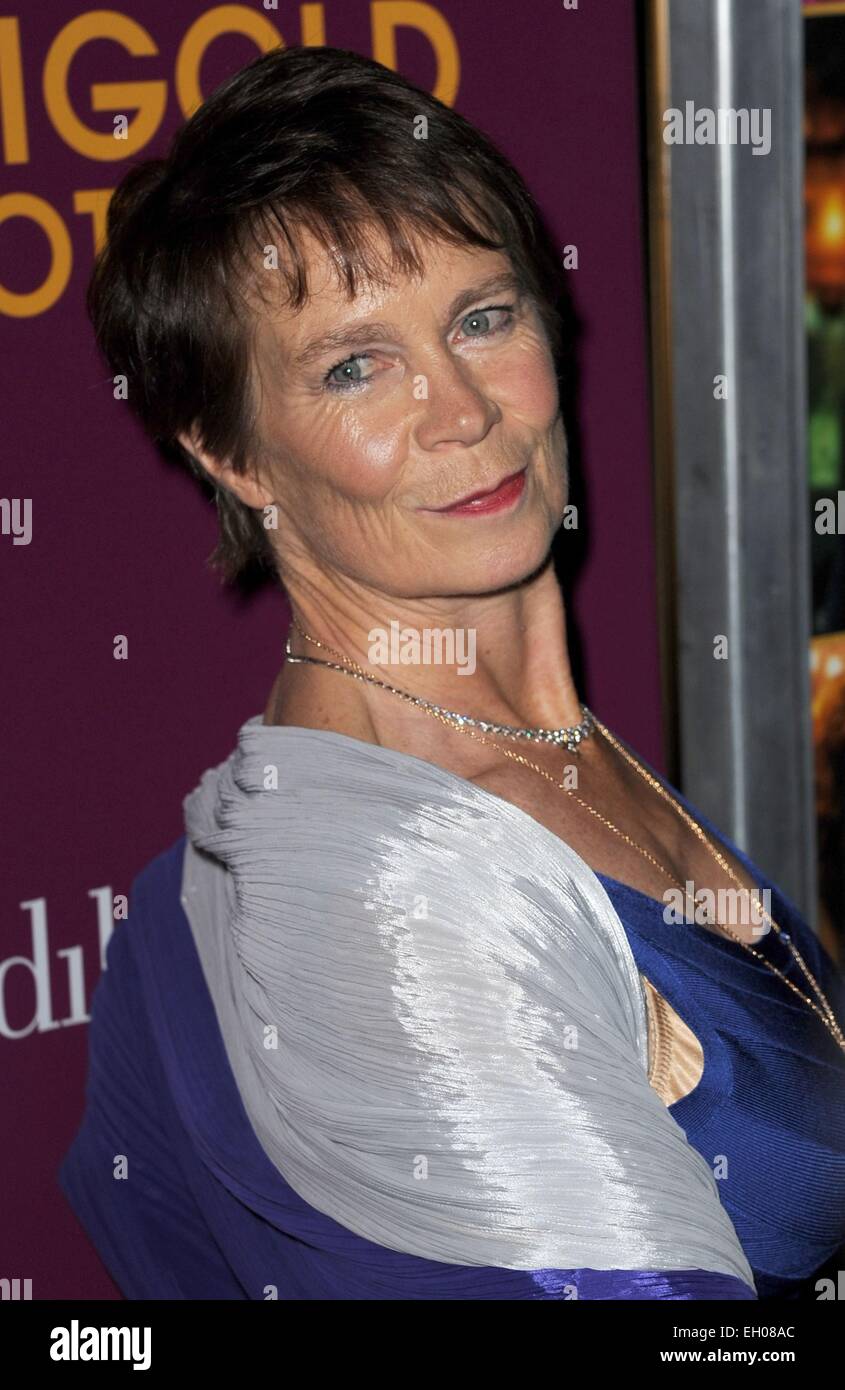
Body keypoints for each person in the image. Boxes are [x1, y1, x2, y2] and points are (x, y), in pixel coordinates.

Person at [59, 44, 845, 1301]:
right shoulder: (395, 899)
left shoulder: (555, 748)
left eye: (483, 317)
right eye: (354, 366)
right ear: (230, 452)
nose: (464, 409)